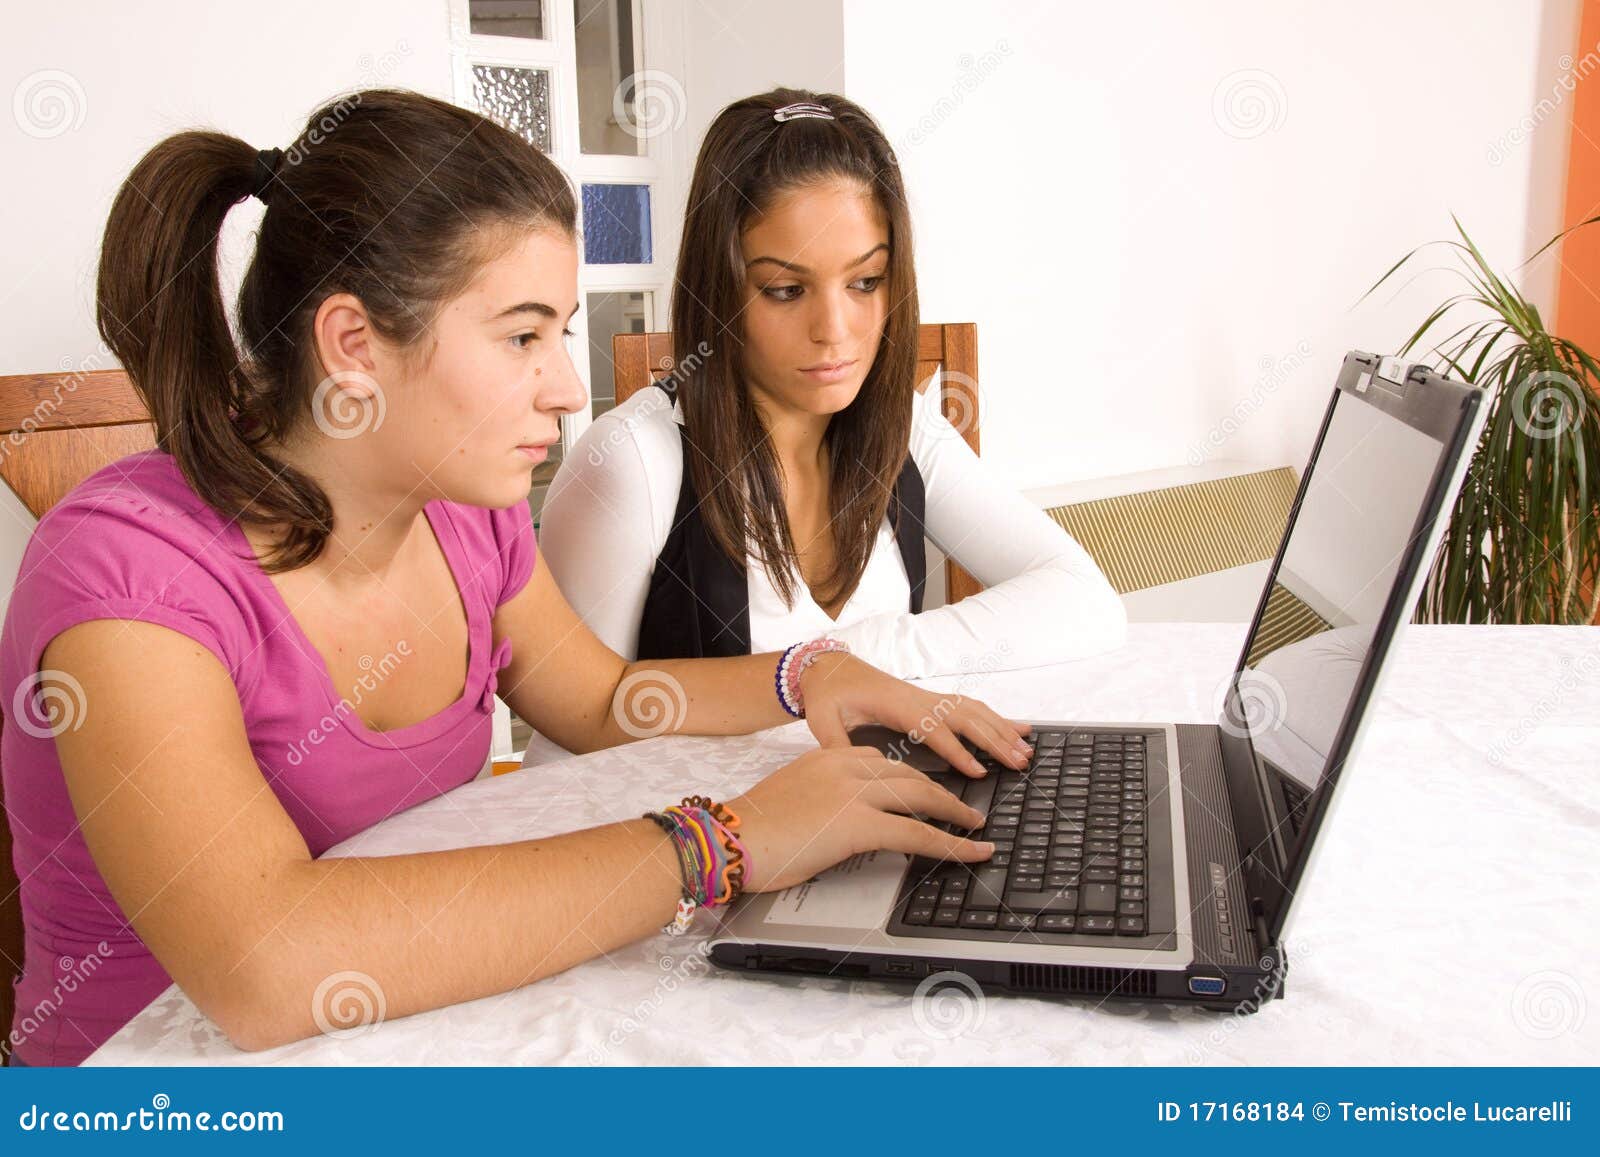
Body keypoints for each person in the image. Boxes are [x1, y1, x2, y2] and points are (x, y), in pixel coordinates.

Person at [0, 89, 1035, 1066]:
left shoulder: (465, 514)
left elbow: (598, 697)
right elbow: (266, 963)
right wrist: (726, 841)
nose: (564, 387)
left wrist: (806, 671)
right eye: (523, 335)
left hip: (397, 1038)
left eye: (562, 332)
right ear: (352, 342)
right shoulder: (128, 577)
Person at [538, 88, 1126, 676]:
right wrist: (820, 678)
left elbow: (1083, 599)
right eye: (786, 291)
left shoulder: (907, 426)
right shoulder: (631, 462)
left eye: (866, 281)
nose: (835, 331)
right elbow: (573, 742)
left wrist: (848, 662)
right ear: (718, 290)